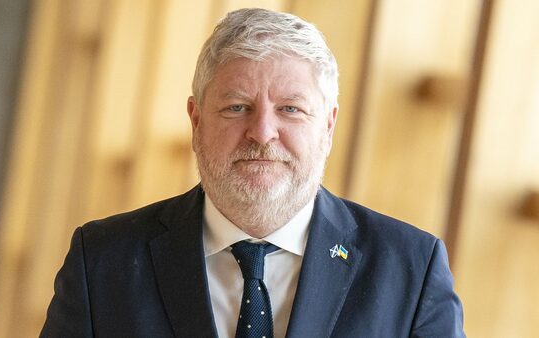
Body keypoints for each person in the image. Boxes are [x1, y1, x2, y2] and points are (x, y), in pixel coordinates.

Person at [40, 8, 465, 338]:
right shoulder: (102, 262)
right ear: (196, 121)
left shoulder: (411, 269)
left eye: (290, 109)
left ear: (328, 126)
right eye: (237, 107)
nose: (262, 133)